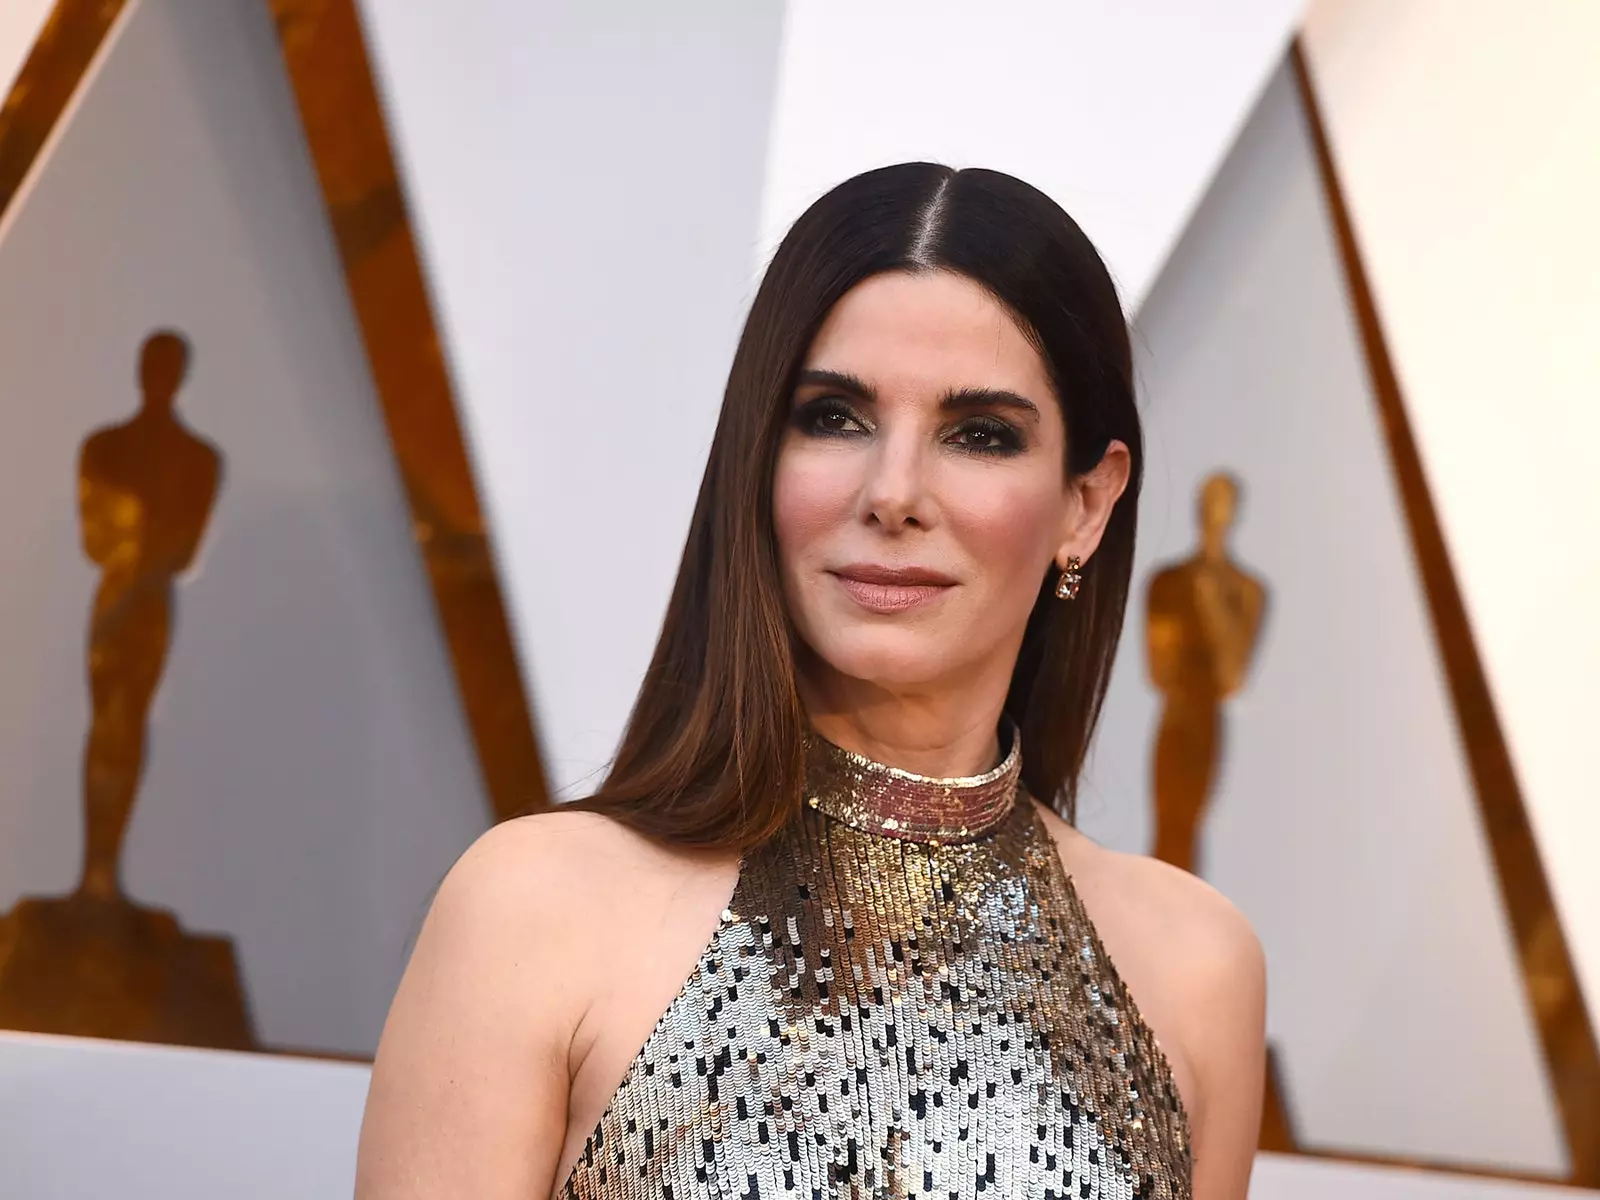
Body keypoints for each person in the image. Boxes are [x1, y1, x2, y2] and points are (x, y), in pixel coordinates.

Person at [355, 164, 1266, 1200]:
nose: (893, 493)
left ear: (1084, 506)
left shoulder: (1195, 969)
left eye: (978, 435)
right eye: (833, 417)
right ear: (758, 453)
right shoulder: (530, 909)